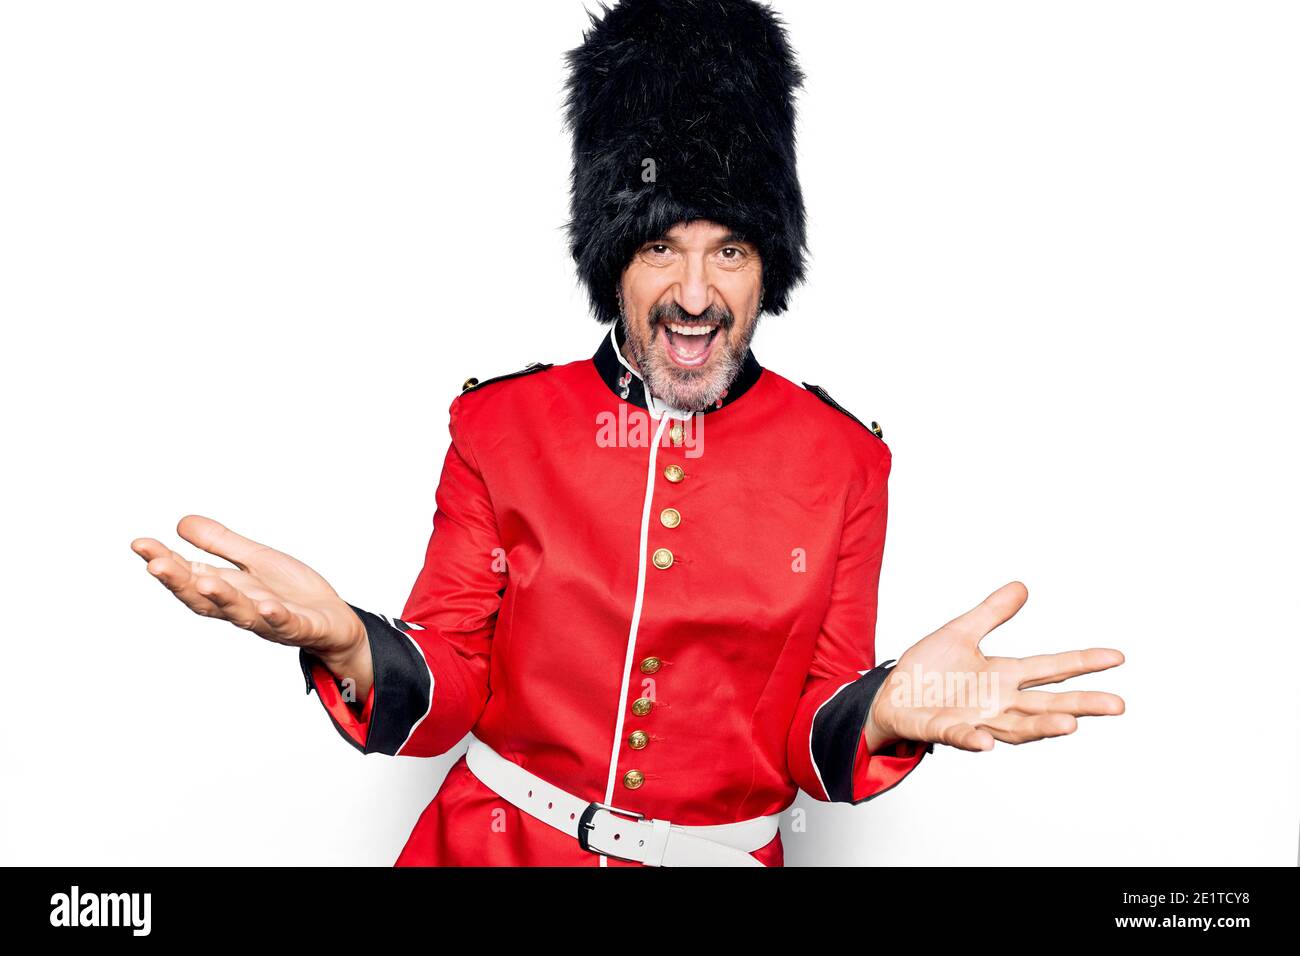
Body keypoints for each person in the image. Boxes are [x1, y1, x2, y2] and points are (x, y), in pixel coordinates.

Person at [131, 0, 1125, 867]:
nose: (695, 295)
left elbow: (812, 738)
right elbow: (450, 685)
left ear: (766, 265)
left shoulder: (845, 459)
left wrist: (886, 712)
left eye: (728, 250)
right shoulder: (500, 421)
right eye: (660, 247)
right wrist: (352, 639)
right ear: (613, 259)